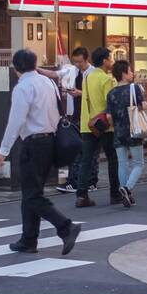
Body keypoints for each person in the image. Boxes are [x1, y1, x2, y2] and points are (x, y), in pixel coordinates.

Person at [0, 49, 81, 255]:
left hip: (33, 143)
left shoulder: (23, 87)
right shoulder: (47, 82)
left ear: (16, 68)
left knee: (32, 195)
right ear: (35, 64)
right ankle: (29, 239)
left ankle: (65, 226)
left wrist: (3, 150)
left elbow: (16, 121)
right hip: (50, 140)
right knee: (31, 193)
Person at [76, 47, 119, 209]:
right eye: (110, 58)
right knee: (112, 159)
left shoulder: (87, 77)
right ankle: (115, 194)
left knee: (86, 160)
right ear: (104, 61)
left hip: (88, 124)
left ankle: (81, 195)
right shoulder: (107, 79)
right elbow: (111, 103)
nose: (112, 61)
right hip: (105, 125)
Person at [104, 61, 147, 207]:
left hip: (118, 131)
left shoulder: (111, 93)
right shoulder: (134, 88)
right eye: (130, 71)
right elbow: (144, 106)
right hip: (134, 130)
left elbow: (108, 117)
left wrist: (117, 123)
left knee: (122, 164)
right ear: (123, 73)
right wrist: (144, 104)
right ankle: (127, 188)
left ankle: (125, 193)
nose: (132, 73)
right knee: (138, 163)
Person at [54, 47, 92, 194]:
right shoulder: (72, 71)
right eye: (75, 61)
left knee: (86, 151)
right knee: (73, 149)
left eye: (80, 62)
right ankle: (72, 181)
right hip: (73, 116)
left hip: (88, 117)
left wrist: (80, 93)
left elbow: (96, 94)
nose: (77, 64)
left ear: (86, 59)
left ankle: (82, 182)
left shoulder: (93, 73)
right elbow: (55, 74)